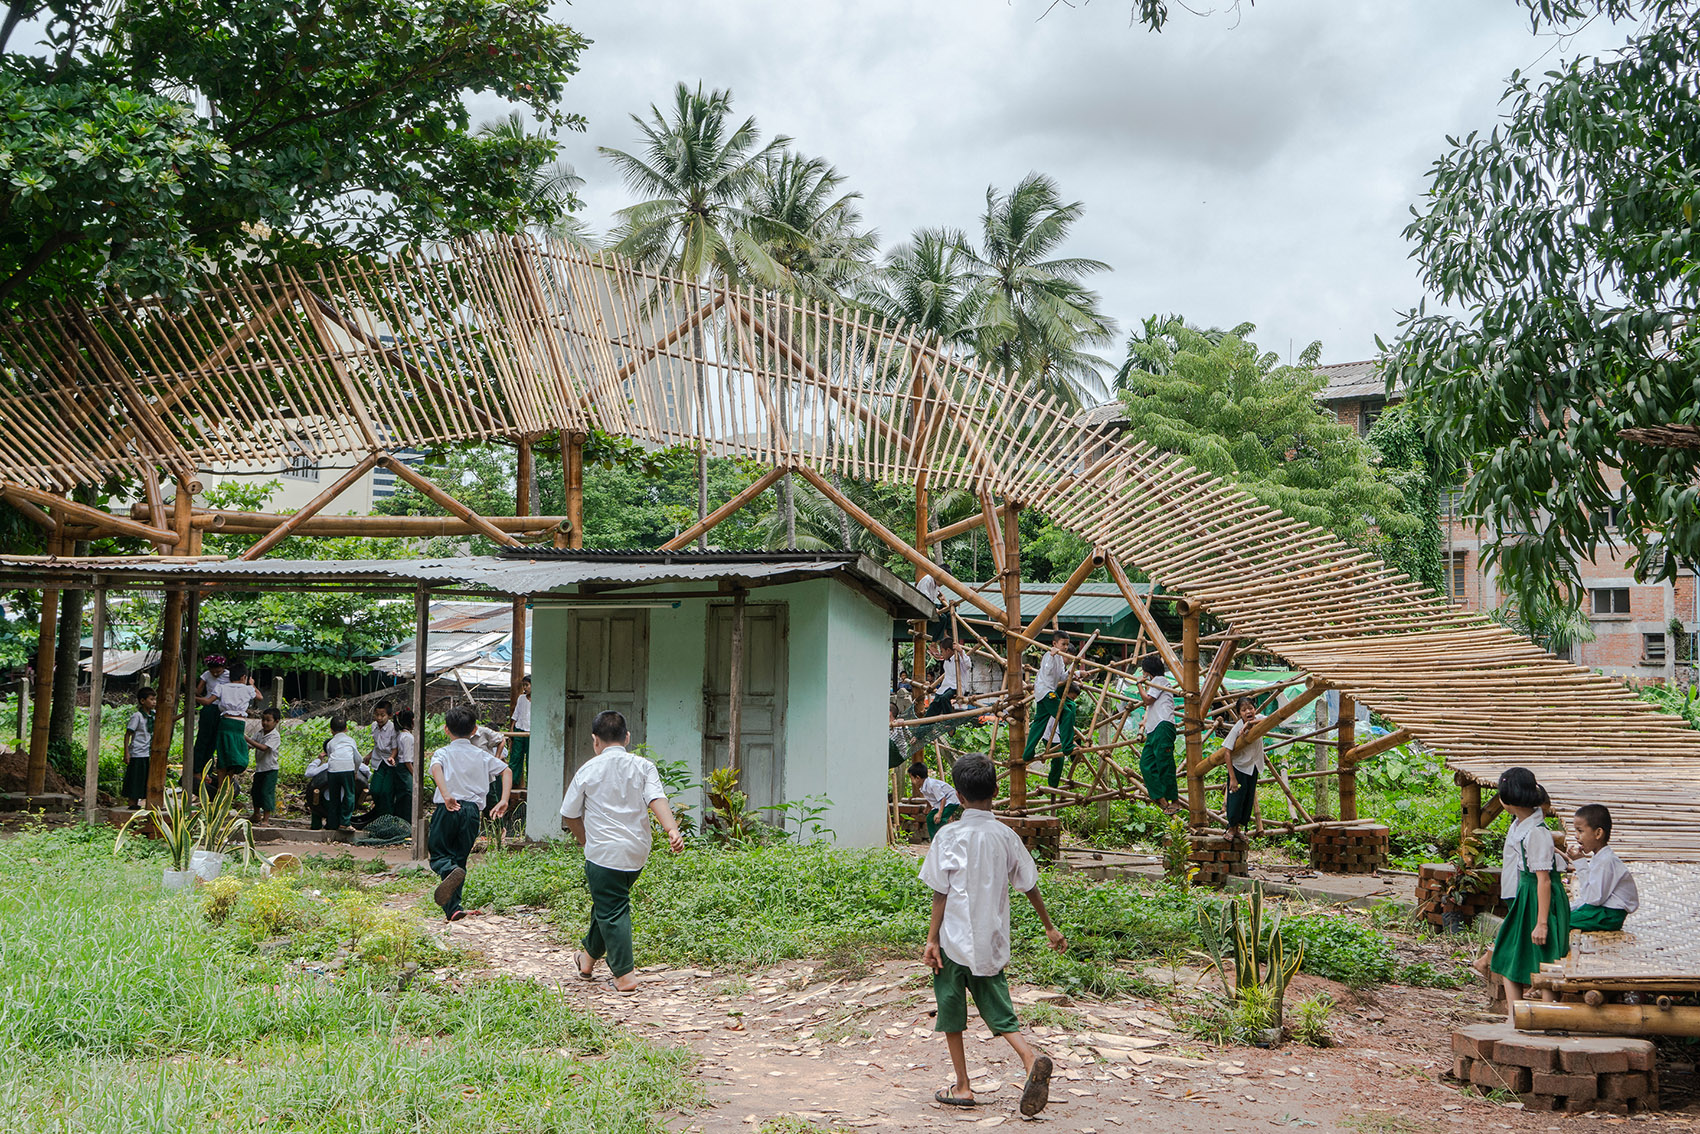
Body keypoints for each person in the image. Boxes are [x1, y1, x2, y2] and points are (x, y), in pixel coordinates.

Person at [920, 754, 1067, 1116]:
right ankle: (1029, 1058)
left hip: (953, 941)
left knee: (951, 1011)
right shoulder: (1006, 836)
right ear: (996, 791)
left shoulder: (948, 835)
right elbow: (1029, 885)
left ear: (958, 796)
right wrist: (1049, 927)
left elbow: (940, 893)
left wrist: (932, 940)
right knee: (999, 1009)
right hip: (990, 941)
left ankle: (962, 1086)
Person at [560, 709, 685, 992]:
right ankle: (587, 960)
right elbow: (656, 798)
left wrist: (586, 842)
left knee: (613, 908)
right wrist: (672, 829)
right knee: (608, 902)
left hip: (603, 853)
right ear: (627, 737)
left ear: (595, 740)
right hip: (636, 853)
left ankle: (624, 976)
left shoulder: (588, 770)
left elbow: (569, 814)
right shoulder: (644, 766)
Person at [1480, 767, 1571, 1023]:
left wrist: (1542, 923)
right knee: (1509, 953)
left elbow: (1544, 880)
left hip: (1538, 895)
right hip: (1525, 891)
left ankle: (1546, 1018)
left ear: (1508, 800)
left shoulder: (1536, 832)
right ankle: (1515, 1017)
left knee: (1545, 954)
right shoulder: (1523, 825)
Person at [428, 705, 511, 922]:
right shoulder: (481, 755)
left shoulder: (443, 753)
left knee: (439, 854)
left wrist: (446, 794)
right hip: (472, 811)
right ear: (475, 730)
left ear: (446, 729)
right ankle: (454, 909)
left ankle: (448, 872)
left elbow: (436, 768)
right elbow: (506, 770)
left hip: (448, 808)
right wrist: (503, 800)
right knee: (460, 859)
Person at [1567, 803, 1638, 932]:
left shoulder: (1606, 861)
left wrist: (1580, 863)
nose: (1576, 836)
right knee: (1564, 915)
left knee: (1562, 922)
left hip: (1609, 915)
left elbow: (1593, 899)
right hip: (1601, 910)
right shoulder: (1599, 857)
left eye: (1580, 831)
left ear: (1598, 833)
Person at [1021, 630, 1079, 788]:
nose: (1065, 647)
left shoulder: (1060, 659)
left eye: (1067, 644)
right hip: (1046, 692)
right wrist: (1052, 655)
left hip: (1044, 693)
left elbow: (1062, 677)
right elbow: (1046, 669)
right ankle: (1067, 745)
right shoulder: (1049, 655)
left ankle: (1028, 753)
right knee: (1066, 712)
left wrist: (1076, 672)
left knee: (1039, 723)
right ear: (1055, 644)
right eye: (1063, 644)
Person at [1135, 655, 1181, 810]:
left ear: (1148, 671)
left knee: (1165, 764)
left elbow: (1148, 700)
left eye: (1144, 671)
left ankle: (1174, 801)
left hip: (1163, 726)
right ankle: (1161, 798)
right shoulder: (1154, 683)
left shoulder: (1160, 681)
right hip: (1153, 729)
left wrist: (1139, 685)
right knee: (1146, 764)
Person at [1220, 696, 1265, 842]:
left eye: (1250, 708)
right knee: (1236, 799)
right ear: (1239, 713)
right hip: (1239, 767)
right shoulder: (1237, 728)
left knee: (1247, 799)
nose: (1248, 712)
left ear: (1255, 709)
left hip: (1253, 766)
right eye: (1244, 710)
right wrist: (1232, 778)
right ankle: (1231, 828)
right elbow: (1227, 752)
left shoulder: (1259, 719)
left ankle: (1238, 829)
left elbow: (1272, 719)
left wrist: (1250, 723)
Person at [209, 664, 259, 791]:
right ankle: (226, 785)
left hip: (225, 723)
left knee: (223, 755)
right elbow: (260, 697)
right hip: (238, 725)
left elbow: (209, 700)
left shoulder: (222, 687)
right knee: (236, 757)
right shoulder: (247, 689)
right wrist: (252, 684)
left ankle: (221, 787)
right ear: (244, 677)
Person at [190, 656, 229, 788]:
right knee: (202, 740)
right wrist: (188, 685)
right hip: (209, 708)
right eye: (213, 672)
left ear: (224, 668)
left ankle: (207, 771)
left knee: (214, 742)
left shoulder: (229, 675)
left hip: (222, 709)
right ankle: (196, 770)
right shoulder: (206, 675)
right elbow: (198, 691)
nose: (215, 674)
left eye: (218, 671)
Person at [323, 716, 361, 833]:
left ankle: (332, 823)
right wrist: (355, 771)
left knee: (334, 796)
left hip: (333, 770)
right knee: (349, 794)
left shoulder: (330, 743)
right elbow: (358, 759)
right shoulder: (351, 741)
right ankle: (344, 822)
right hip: (347, 768)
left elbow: (330, 756)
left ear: (331, 730)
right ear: (346, 728)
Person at [246, 707, 282, 825]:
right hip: (260, 769)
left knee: (267, 793)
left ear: (276, 722)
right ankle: (256, 814)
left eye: (268, 720)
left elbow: (263, 748)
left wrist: (247, 739)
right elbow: (249, 746)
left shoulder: (275, 736)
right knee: (255, 791)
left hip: (270, 769)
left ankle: (266, 819)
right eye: (263, 720)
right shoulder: (260, 733)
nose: (265, 723)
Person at [121, 687, 156, 808]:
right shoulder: (137, 716)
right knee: (135, 779)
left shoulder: (153, 715)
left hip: (147, 752)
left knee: (144, 779)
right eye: (151, 699)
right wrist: (126, 753)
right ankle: (132, 803)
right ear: (142, 701)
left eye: (154, 699)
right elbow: (128, 734)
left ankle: (140, 803)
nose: (154, 702)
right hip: (137, 752)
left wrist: (183, 714)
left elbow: (168, 720)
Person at [909, 761, 962, 839]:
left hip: (951, 801)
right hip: (941, 804)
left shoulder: (932, 785)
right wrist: (928, 807)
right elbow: (929, 797)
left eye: (911, 778)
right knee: (929, 818)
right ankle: (934, 839)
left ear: (917, 778)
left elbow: (943, 798)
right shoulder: (923, 787)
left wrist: (939, 814)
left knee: (940, 819)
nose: (912, 781)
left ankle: (944, 839)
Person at [366, 701, 398, 822]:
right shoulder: (374, 726)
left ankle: (388, 819)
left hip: (390, 763)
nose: (379, 718)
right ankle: (379, 815)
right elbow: (377, 745)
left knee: (386, 792)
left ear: (389, 715)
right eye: (377, 715)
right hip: (378, 761)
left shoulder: (392, 729)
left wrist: (392, 757)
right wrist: (369, 755)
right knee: (375, 790)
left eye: (382, 715)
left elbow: (395, 748)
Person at [388, 707, 417, 821]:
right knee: (408, 794)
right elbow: (407, 760)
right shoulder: (408, 737)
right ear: (410, 721)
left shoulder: (401, 735)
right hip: (405, 769)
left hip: (401, 767)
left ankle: (400, 819)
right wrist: (415, 775)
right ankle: (407, 820)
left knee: (402, 795)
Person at [509, 675, 531, 789]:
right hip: (519, 729)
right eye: (524, 685)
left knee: (531, 758)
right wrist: (512, 729)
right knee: (516, 757)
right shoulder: (521, 698)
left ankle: (531, 783)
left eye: (527, 685)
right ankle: (512, 782)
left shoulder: (538, 700)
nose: (525, 688)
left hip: (531, 732)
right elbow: (516, 714)